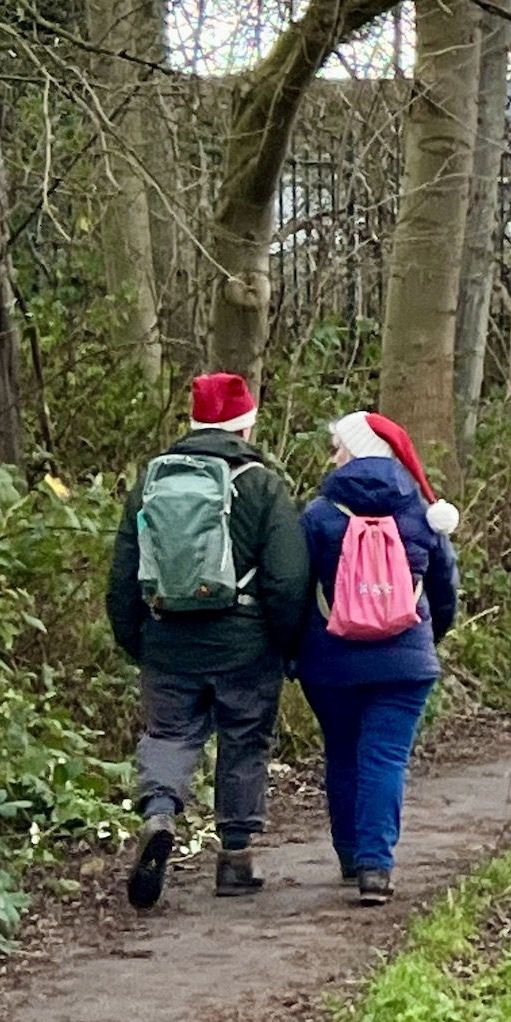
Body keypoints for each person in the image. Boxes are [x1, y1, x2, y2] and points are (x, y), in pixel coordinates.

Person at [106, 373, 310, 910]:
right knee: (244, 741)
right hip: (245, 644)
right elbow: (288, 579)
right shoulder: (261, 484)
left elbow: (123, 574)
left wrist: (140, 643)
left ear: (193, 421)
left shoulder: (152, 479)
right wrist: (284, 644)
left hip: (168, 641)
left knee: (170, 735)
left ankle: (158, 811)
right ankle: (236, 860)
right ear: (245, 421)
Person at [298, 411, 460, 905]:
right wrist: (430, 636)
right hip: (405, 661)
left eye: (338, 447)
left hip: (332, 659)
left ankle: (350, 853)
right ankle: (376, 867)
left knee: (343, 752)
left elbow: (294, 589)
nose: (333, 457)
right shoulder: (422, 512)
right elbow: (445, 586)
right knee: (385, 756)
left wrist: (294, 648)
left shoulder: (319, 514)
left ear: (355, 452)